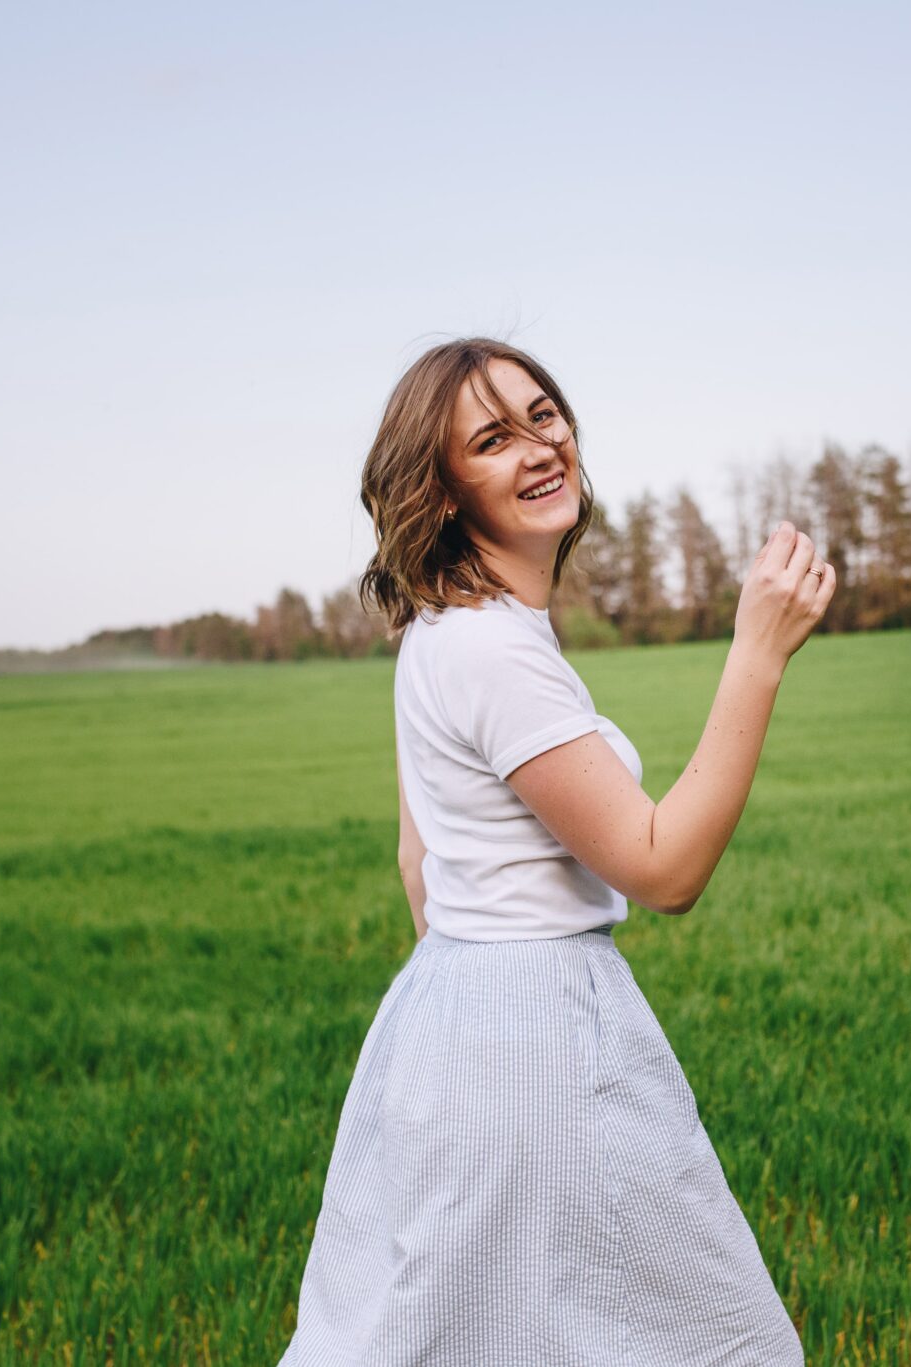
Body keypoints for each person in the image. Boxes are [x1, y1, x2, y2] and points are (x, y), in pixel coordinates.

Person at [276, 336, 835, 1365]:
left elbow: (418, 866)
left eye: (543, 414)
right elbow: (664, 868)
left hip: (451, 1014)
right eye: (492, 439)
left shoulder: (443, 631)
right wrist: (757, 650)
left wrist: (471, 1029)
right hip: (537, 1030)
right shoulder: (490, 646)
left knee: (466, 1331)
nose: (540, 446)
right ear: (444, 492)